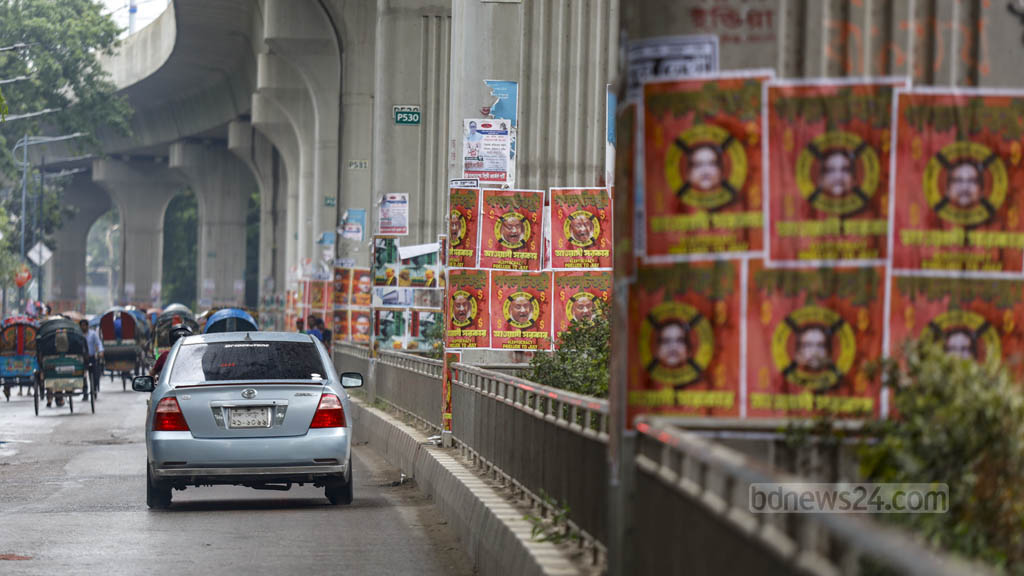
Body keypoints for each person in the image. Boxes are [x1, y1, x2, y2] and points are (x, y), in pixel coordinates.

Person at [80, 319, 103, 401]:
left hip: (91, 357)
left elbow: (98, 343)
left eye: (84, 325)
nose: (83, 327)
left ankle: (94, 389)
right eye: (81, 326)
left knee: (95, 375)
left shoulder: (92, 334)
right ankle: (85, 393)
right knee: (82, 376)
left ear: (87, 326)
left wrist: (100, 351)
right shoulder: (79, 335)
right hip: (82, 359)